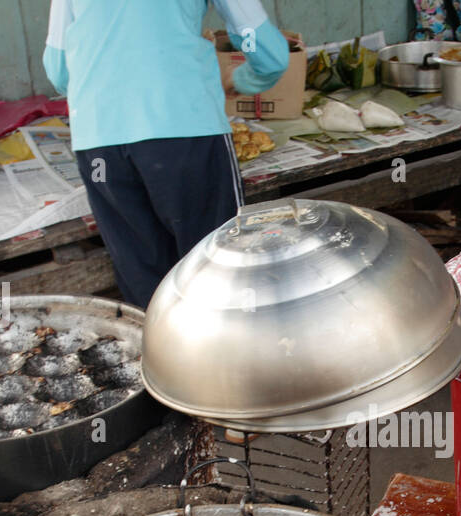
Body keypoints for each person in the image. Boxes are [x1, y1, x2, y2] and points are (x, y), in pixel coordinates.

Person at [44, 0, 290, 308]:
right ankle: (221, 353)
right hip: (184, 131)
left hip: (99, 148)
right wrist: (242, 79)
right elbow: (266, 51)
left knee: (140, 272)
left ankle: (158, 351)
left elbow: (58, 69)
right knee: (215, 263)